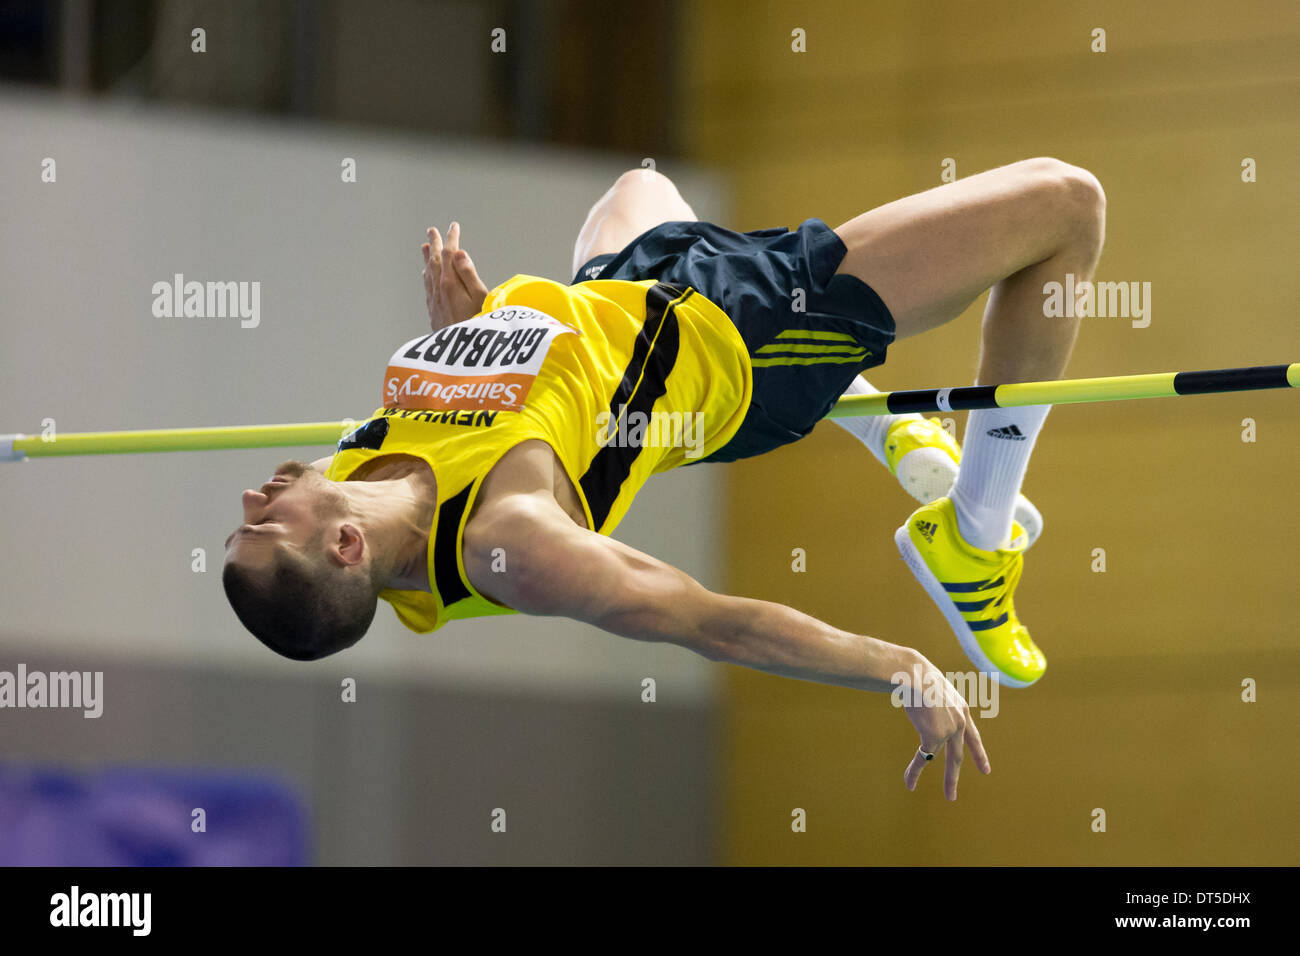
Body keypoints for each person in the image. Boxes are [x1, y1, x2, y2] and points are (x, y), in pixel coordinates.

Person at [223, 159, 1106, 799]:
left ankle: (886, 427)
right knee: (1067, 207)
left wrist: (474, 325)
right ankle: (977, 535)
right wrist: (899, 669)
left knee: (638, 189)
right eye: (266, 523)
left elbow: (513, 399)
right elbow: (706, 621)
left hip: (629, 291)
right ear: (345, 546)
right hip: (746, 337)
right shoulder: (508, 546)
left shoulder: (355, 467)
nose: (255, 498)